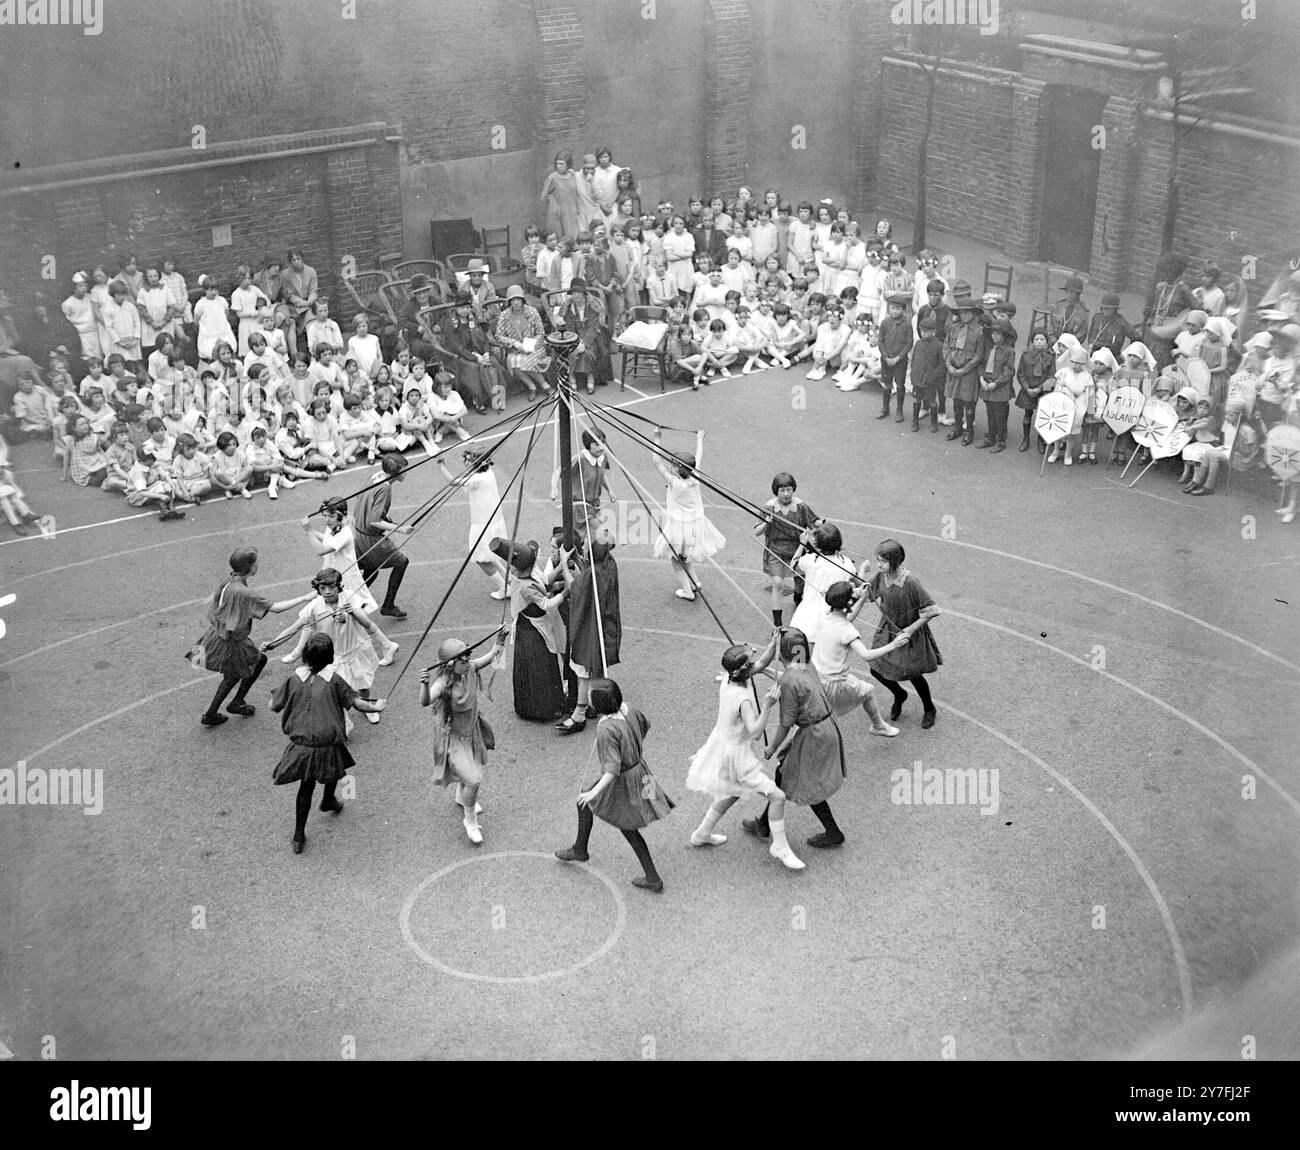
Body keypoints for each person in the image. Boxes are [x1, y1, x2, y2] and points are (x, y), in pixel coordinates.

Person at [685, 638, 806, 869]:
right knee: (777, 797)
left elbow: (760, 663)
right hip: (736, 756)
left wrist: (773, 643)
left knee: (730, 793)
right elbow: (757, 733)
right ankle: (779, 846)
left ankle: (701, 834)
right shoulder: (744, 700)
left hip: (722, 746)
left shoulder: (730, 680)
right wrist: (769, 704)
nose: (754, 663)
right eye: (749, 662)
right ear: (744, 671)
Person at [270, 632, 386, 854]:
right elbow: (358, 703)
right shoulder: (334, 680)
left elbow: (273, 706)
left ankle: (299, 833)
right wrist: (376, 707)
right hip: (328, 742)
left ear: (305, 657)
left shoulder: (294, 679)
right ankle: (328, 800)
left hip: (302, 745)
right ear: (331, 657)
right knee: (334, 768)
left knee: (306, 787)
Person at [555, 678, 674, 893]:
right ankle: (580, 849)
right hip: (639, 771)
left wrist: (594, 791)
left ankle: (653, 878)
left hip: (624, 781)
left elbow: (612, 769)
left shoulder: (606, 729)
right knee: (586, 804)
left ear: (599, 706)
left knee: (627, 827)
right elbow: (645, 726)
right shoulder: (630, 710)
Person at [741, 628, 848, 850]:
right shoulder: (804, 664)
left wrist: (771, 746)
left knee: (807, 781)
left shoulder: (789, 682)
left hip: (815, 735)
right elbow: (789, 675)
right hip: (825, 727)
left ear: (782, 652)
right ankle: (763, 824)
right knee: (784, 772)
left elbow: (784, 724)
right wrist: (774, 650)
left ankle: (833, 832)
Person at [195, 547, 314, 727]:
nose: (258, 565)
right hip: (232, 640)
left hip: (219, 634)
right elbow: (276, 608)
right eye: (255, 562)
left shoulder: (230, 580)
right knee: (240, 671)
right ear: (249, 567)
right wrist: (305, 597)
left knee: (243, 669)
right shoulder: (244, 591)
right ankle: (223, 708)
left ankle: (220, 709)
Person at [266, 567, 390, 726]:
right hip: (331, 658)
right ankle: (343, 719)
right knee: (337, 692)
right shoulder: (314, 606)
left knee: (363, 684)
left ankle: (367, 708)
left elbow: (367, 623)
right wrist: (272, 644)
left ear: (339, 586)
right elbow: (294, 628)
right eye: (322, 588)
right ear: (317, 589)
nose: (327, 592)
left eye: (331, 587)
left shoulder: (350, 597)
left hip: (354, 650)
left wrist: (353, 613)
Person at [420, 631, 508, 845]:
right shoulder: (442, 684)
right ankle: (470, 821)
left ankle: (462, 796)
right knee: (474, 779)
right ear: (450, 665)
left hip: (471, 730)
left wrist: (500, 641)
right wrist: (423, 684)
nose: (468, 661)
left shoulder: (471, 669)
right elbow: (425, 701)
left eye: (468, 656)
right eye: (462, 659)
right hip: (453, 739)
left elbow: (492, 655)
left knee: (470, 772)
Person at [863, 539, 942, 730]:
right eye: (877, 560)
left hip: (909, 633)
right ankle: (899, 694)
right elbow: (867, 594)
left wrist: (911, 629)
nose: (879, 565)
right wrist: (858, 579)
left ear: (896, 561)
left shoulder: (911, 582)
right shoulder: (881, 577)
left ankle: (929, 708)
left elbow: (932, 610)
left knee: (913, 674)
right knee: (876, 668)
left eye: (882, 561)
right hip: (888, 630)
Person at [812, 582, 906, 736]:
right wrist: (894, 644)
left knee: (810, 717)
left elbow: (846, 618)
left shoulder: (825, 617)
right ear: (848, 602)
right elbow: (866, 655)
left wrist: (861, 599)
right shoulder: (847, 630)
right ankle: (878, 725)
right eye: (852, 592)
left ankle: (878, 725)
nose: (855, 591)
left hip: (815, 677)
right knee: (866, 693)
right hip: (834, 681)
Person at [496, 537, 568, 721]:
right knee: (540, 666)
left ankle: (530, 706)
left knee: (531, 667)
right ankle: (543, 708)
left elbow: (545, 581)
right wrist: (567, 591)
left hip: (528, 626)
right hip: (533, 629)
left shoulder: (522, 575)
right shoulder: (527, 587)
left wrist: (562, 565)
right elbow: (547, 603)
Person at [556, 533, 621, 735]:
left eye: (586, 549)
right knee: (597, 665)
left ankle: (579, 714)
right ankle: (596, 702)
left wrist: (565, 563)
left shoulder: (594, 574)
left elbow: (573, 586)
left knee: (584, 667)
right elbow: (588, 574)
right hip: (606, 621)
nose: (584, 549)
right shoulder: (609, 564)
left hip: (590, 624)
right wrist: (577, 559)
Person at [650, 427, 725, 601]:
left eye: (674, 464)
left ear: (678, 469)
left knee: (676, 559)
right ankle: (694, 582)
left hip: (680, 527)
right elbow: (698, 457)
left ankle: (687, 591)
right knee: (685, 555)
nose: (671, 465)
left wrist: (657, 437)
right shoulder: (695, 477)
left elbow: (655, 460)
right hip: (695, 525)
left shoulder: (674, 482)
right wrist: (700, 439)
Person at [438, 448, 510, 599]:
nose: (465, 462)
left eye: (468, 460)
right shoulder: (488, 472)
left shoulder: (477, 479)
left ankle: (503, 587)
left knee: (479, 557)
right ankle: (507, 578)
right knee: (489, 553)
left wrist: (441, 465)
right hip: (492, 520)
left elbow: (453, 482)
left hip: (483, 524)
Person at [754, 471, 821, 628]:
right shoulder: (769, 507)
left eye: (789, 489)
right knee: (777, 584)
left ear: (793, 489)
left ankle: (798, 600)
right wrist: (766, 522)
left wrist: (819, 524)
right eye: (782, 490)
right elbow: (757, 532)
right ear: (776, 491)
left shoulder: (800, 506)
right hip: (775, 551)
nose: (786, 494)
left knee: (800, 583)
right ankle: (778, 623)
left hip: (797, 550)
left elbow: (814, 521)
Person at [351, 453, 413, 618]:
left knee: (372, 569)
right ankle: (388, 605)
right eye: (404, 470)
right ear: (396, 472)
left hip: (358, 533)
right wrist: (400, 529)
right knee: (401, 562)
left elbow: (361, 499)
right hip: (370, 537)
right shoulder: (385, 488)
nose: (407, 472)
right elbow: (374, 521)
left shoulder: (375, 477)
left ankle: (354, 601)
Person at [943, 283, 987, 446]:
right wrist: (949, 365)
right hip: (953, 369)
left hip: (968, 372)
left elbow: (979, 355)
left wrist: (964, 370)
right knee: (957, 401)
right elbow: (946, 346)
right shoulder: (954, 328)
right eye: (962, 312)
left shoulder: (979, 331)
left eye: (968, 312)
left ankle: (969, 430)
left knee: (969, 402)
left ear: (974, 313)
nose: (965, 315)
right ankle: (957, 427)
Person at [977, 317, 1017, 452]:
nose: (995, 336)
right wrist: (981, 378)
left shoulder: (1009, 351)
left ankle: (1001, 441)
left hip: (999, 387)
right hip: (986, 384)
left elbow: (1009, 371)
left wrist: (996, 383)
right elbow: (982, 363)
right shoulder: (988, 348)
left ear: (1004, 335)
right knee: (990, 412)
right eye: (993, 333)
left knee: (999, 414)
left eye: (998, 333)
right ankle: (990, 437)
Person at [877, 292, 913, 419]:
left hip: (900, 361)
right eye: (893, 308)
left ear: (903, 310)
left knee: (899, 384)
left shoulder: (907, 324)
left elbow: (909, 343)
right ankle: (885, 408)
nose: (895, 311)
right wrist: (886, 356)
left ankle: (899, 410)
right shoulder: (885, 322)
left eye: (898, 309)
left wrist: (898, 358)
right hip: (886, 360)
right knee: (886, 384)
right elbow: (880, 341)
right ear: (889, 308)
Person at [1049, 275, 1091, 343]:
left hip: (1071, 347)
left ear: (1078, 294)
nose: (1069, 294)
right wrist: (1053, 340)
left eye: (1072, 292)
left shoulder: (1083, 312)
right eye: (1067, 291)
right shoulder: (1058, 305)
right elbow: (1050, 325)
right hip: (1053, 343)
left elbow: (1081, 334)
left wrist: (1067, 345)